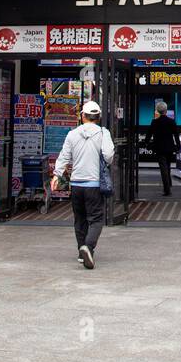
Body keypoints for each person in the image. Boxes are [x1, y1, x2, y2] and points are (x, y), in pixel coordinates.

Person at [51, 101, 115, 269]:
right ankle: (88, 246)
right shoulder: (103, 133)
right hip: (94, 184)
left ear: (83, 116)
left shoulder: (72, 134)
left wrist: (56, 175)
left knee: (79, 219)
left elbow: (64, 156)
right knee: (96, 219)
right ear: (98, 117)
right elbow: (109, 155)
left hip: (77, 184)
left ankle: (81, 252)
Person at [148, 101, 180, 197]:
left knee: (163, 168)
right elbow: (176, 135)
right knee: (168, 166)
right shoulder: (171, 121)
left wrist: (146, 142)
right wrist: (178, 145)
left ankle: (167, 190)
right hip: (170, 147)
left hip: (159, 148)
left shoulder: (154, 122)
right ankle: (169, 184)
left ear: (157, 111)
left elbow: (149, 134)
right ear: (166, 110)